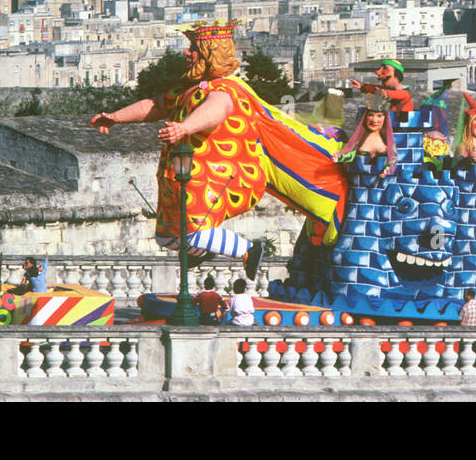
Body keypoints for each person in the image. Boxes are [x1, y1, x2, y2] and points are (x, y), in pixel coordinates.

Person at [92, 19, 349, 274]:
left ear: (209, 54)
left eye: (193, 48)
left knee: (190, 231)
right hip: (182, 176)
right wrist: (116, 117)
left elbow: (218, 109)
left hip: (217, 173)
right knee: (166, 236)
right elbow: (156, 105)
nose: (187, 53)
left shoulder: (226, 88)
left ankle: (249, 249)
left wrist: (185, 127)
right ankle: (207, 248)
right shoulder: (190, 90)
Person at [337, 96, 397, 173]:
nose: (374, 120)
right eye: (371, 115)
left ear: (385, 118)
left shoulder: (388, 141)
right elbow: (350, 154)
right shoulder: (359, 139)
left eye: (379, 116)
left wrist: (387, 169)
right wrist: (339, 157)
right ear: (365, 117)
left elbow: (393, 158)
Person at [348, 60, 413, 113]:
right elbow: (375, 89)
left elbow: (396, 94)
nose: (378, 72)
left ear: (397, 75)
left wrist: (386, 93)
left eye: (385, 69)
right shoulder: (385, 89)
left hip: (401, 125)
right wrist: (362, 87)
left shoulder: (404, 93)